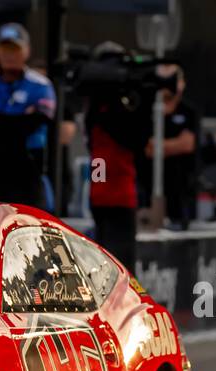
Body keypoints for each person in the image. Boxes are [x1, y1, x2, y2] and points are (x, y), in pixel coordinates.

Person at [0, 22, 55, 206]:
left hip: (28, 175)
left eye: (15, 49)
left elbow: (34, 123)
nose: (9, 55)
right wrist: (19, 119)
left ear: (27, 51)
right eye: (4, 49)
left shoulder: (41, 85)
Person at [84, 42, 152, 268]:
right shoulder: (98, 106)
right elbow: (134, 140)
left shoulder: (118, 104)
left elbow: (137, 140)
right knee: (110, 261)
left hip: (116, 190)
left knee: (118, 259)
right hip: (105, 190)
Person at [146, 64, 199, 228]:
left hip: (182, 186)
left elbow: (188, 144)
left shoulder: (189, 111)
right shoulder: (147, 110)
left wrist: (159, 146)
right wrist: (175, 144)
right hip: (149, 184)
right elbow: (147, 148)